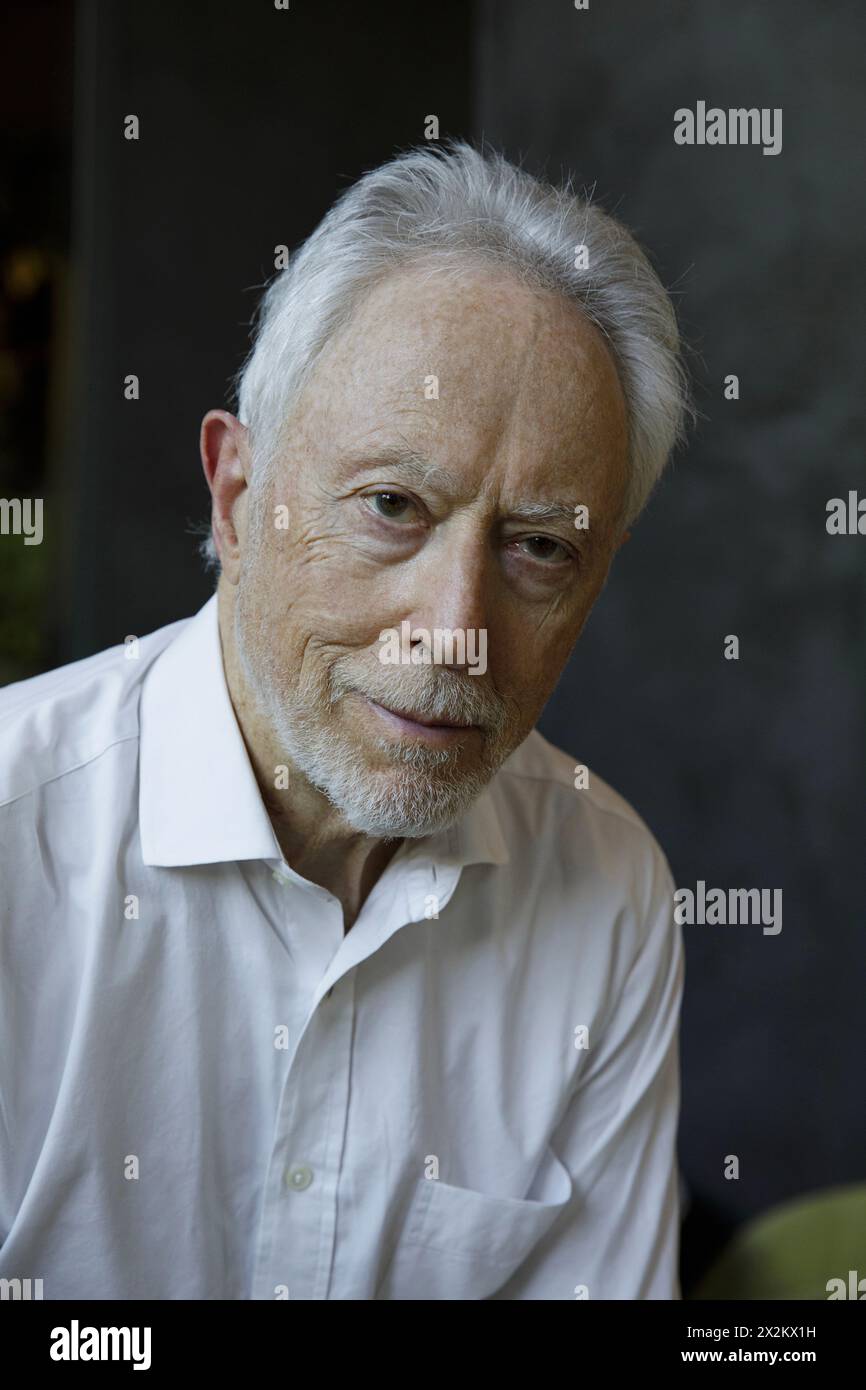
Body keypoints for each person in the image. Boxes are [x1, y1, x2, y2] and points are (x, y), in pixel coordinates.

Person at [0, 141, 692, 1299]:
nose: (454, 628)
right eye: (391, 506)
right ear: (236, 498)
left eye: (537, 548)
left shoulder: (606, 888)